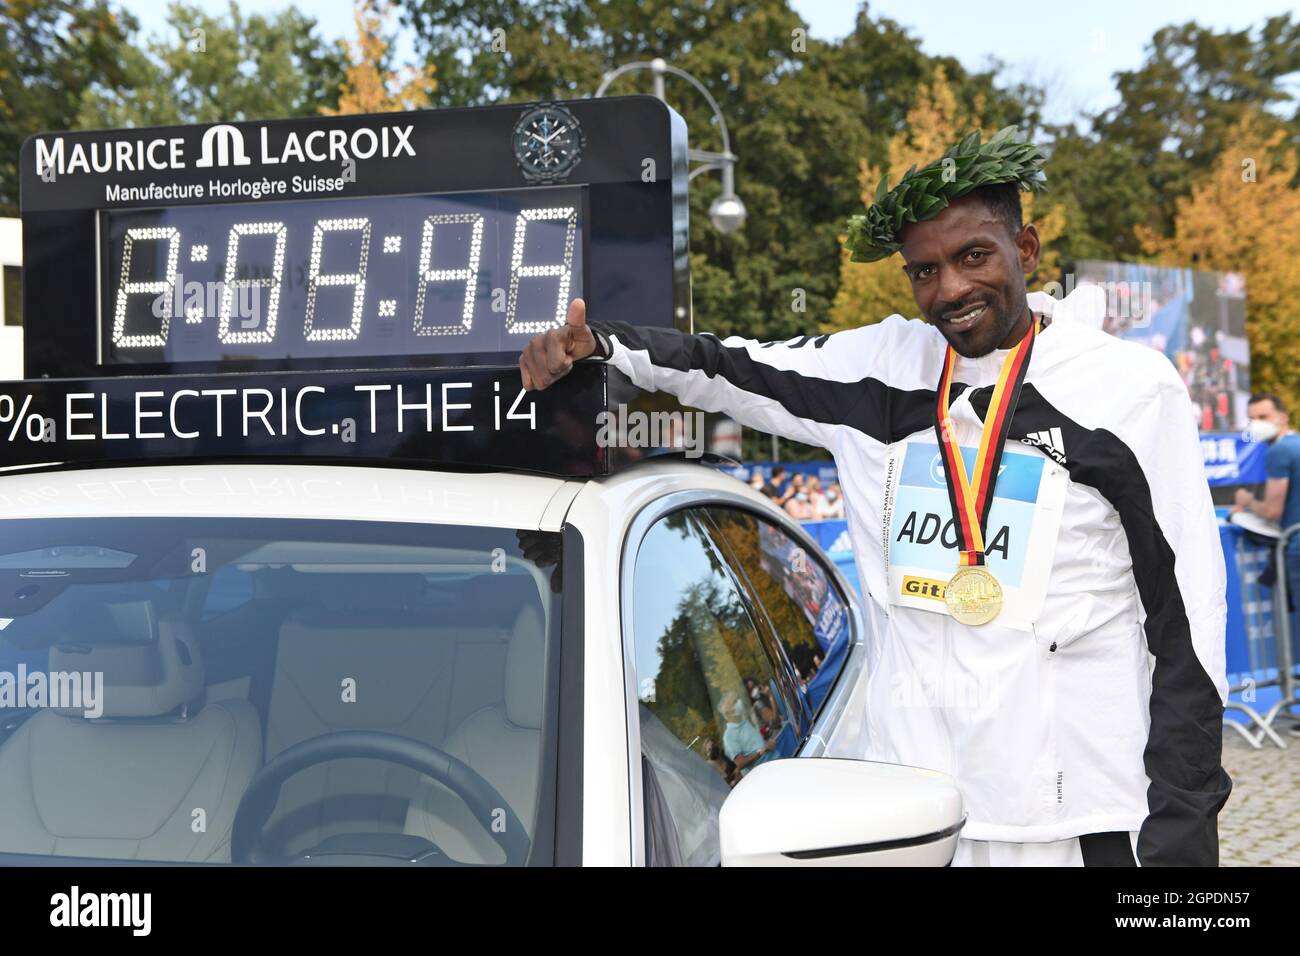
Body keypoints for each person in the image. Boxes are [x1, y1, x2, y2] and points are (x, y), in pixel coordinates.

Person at [519, 127, 1231, 866]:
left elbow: (1189, 620)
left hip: (1083, 820)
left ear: (1028, 249)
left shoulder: (1128, 392)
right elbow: (725, 365)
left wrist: (1184, 824)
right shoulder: (879, 367)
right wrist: (598, 344)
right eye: (924, 271)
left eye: (973, 256)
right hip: (916, 820)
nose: (949, 289)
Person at [1234, 393, 1300, 736]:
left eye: (1263, 416)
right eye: (1252, 417)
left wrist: (1245, 502)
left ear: (1282, 417)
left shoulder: (1279, 453)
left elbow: (1273, 511)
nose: (1256, 423)